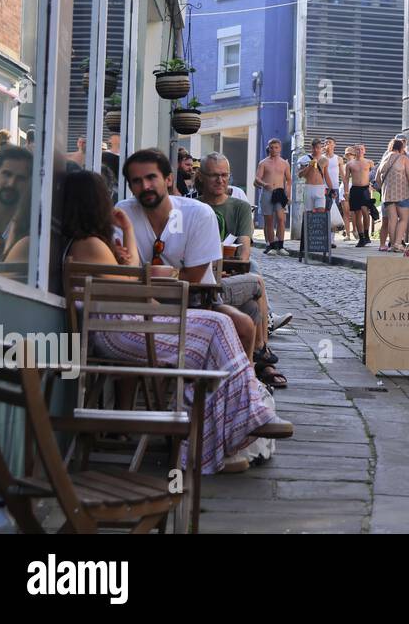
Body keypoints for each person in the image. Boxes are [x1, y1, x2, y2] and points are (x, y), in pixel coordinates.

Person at [61, 168, 289, 475]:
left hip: (125, 327)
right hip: (119, 333)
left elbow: (132, 285)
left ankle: (221, 435)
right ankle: (232, 427)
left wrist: (126, 230)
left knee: (214, 332)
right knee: (216, 328)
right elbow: (136, 291)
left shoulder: (90, 243)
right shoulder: (91, 245)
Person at [117, 149, 257, 360]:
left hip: (196, 303)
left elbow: (193, 278)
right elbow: (120, 271)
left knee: (245, 326)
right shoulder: (125, 213)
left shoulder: (197, 213)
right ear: (129, 186)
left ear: (169, 179)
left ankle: (244, 389)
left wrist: (145, 276)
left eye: (151, 178)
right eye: (137, 181)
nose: (145, 186)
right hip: (142, 305)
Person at [197, 153, 286, 388]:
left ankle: (251, 370)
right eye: (214, 175)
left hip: (230, 275)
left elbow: (243, 254)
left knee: (252, 275)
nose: (220, 180)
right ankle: (261, 356)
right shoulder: (194, 207)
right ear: (202, 177)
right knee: (251, 299)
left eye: (224, 175)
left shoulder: (239, 206)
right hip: (203, 278)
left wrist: (228, 269)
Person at [376, 138, 409, 253]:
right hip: (402, 193)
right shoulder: (404, 159)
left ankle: (393, 244)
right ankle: (398, 243)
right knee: (404, 218)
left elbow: (377, 179)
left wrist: (386, 187)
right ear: (401, 148)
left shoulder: (384, 160)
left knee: (392, 220)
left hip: (387, 195)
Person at [254, 138, 290, 255]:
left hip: (279, 192)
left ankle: (281, 245)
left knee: (281, 219)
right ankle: (271, 245)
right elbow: (257, 178)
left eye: (276, 147)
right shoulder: (263, 162)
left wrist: (288, 194)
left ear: (280, 148)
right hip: (267, 193)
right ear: (268, 148)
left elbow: (289, 180)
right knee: (269, 220)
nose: (274, 150)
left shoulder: (284, 163)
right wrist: (264, 184)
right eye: (272, 147)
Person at [297, 139, 335, 247]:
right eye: (314, 148)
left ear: (321, 148)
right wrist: (309, 165)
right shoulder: (304, 159)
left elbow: (326, 175)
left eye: (318, 148)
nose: (316, 150)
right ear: (311, 148)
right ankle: (307, 239)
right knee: (309, 214)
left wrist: (331, 189)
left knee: (320, 213)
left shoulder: (324, 160)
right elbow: (300, 175)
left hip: (320, 188)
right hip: (309, 187)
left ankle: (318, 240)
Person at [347, 144, 375, 247]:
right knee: (357, 213)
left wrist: (374, 185)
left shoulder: (369, 162)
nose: (359, 151)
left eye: (361, 149)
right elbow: (346, 179)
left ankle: (367, 234)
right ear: (354, 151)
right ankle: (361, 237)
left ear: (364, 151)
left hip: (365, 189)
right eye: (357, 149)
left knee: (365, 211)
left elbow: (375, 175)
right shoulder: (350, 164)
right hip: (355, 189)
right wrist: (346, 191)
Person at [324, 137, 350, 240]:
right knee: (324, 211)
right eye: (326, 142)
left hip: (334, 188)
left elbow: (343, 176)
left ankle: (332, 238)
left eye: (330, 142)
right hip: (323, 188)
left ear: (334, 145)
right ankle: (324, 237)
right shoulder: (321, 158)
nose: (327, 144)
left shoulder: (338, 159)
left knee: (333, 211)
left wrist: (346, 191)